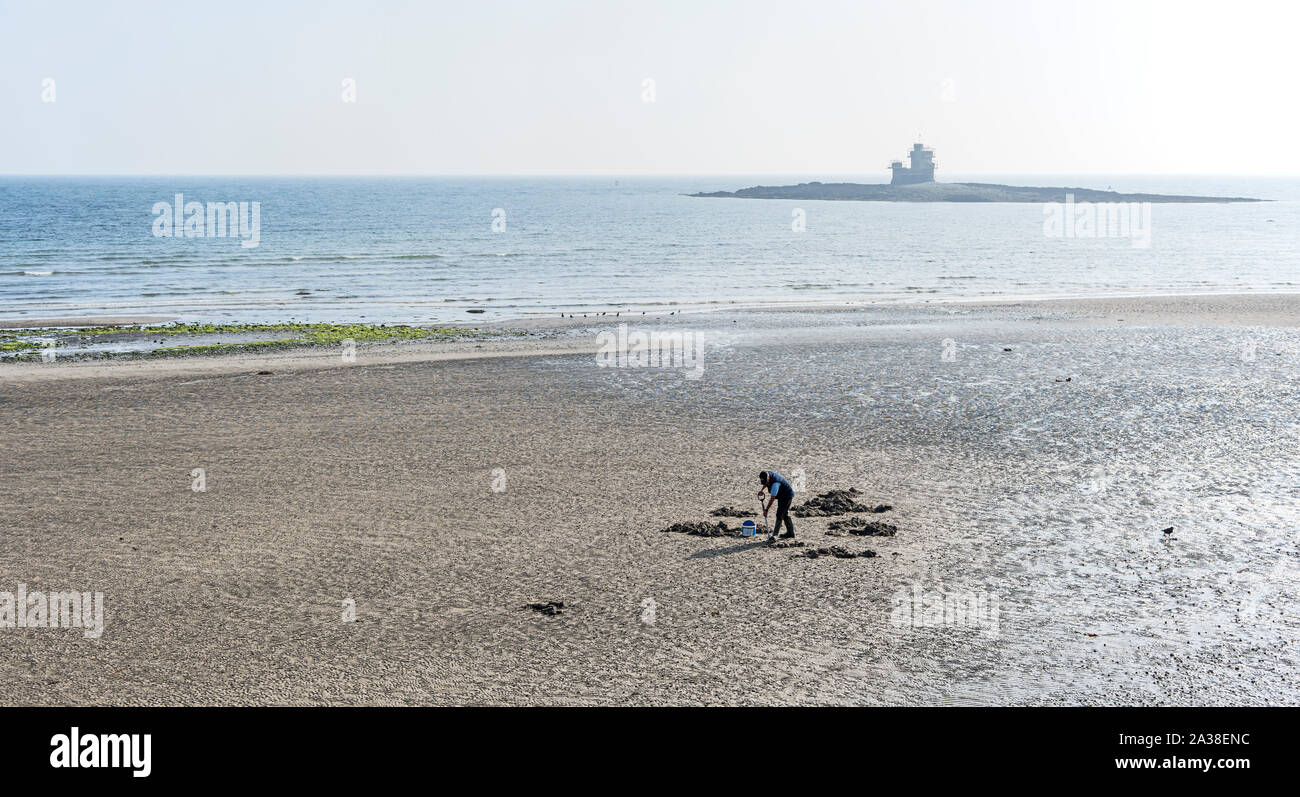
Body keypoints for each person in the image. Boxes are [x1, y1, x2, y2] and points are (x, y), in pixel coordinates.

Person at [758, 470, 795, 542]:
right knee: (784, 514)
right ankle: (790, 533)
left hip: (787, 495)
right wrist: (762, 490)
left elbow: (772, 498)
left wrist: (766, 510)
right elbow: (766, 483)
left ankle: (775, 535)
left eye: (766, 481)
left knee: (779, 514)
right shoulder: (767, 474)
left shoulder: (775, 483)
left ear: (768, 478)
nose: (765, 483)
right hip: (781, 495)